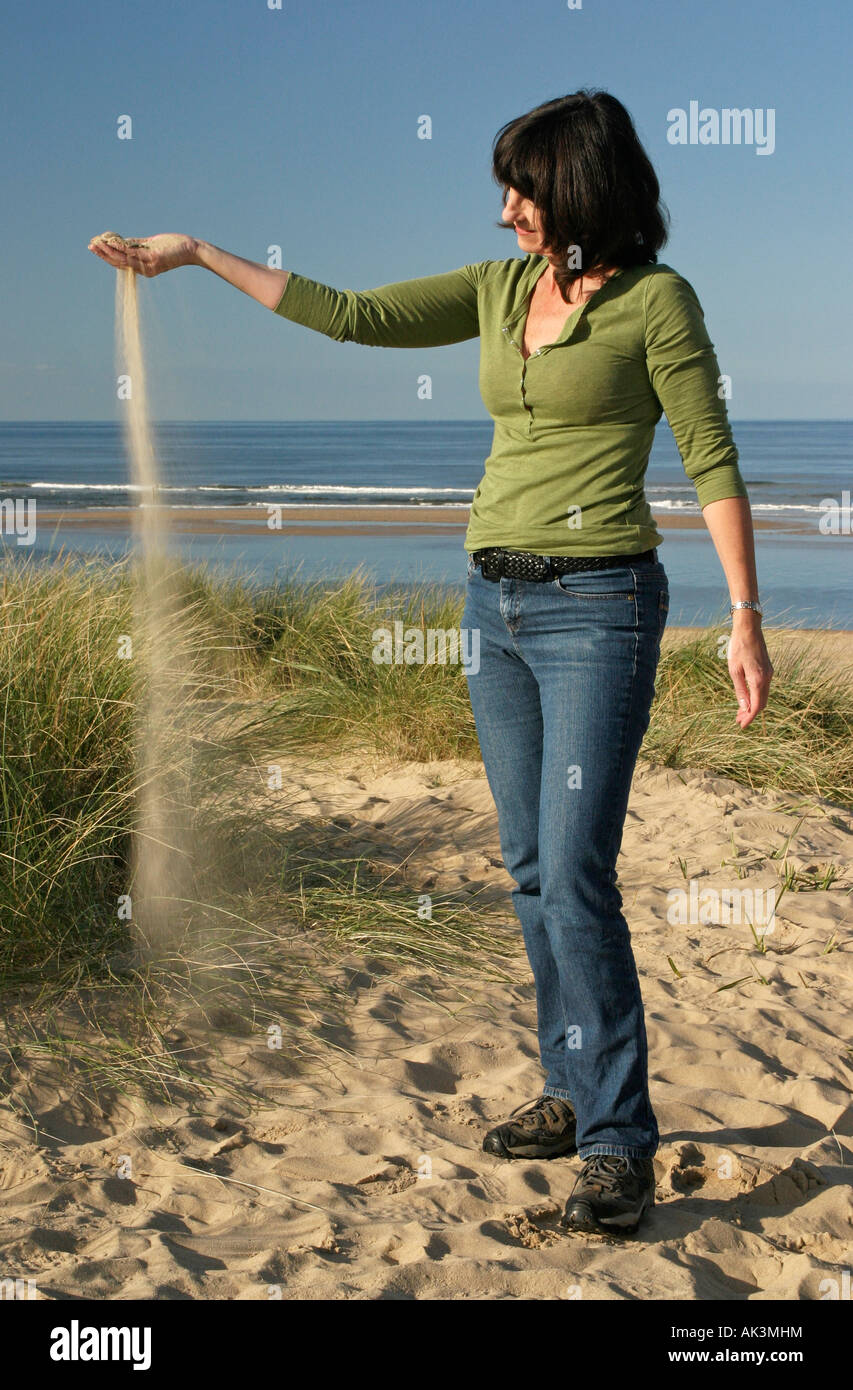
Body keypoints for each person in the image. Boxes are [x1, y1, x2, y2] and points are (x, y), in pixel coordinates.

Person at [89, 89, 773, 1237]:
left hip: (599, 605)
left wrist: (745, 614)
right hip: (491, 603)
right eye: (504, 187)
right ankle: (567, 1090)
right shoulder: (501, 287)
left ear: (581, 191)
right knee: (523, 865)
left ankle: (616, 1140)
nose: (506, 208)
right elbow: (351, 314)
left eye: (525, 187)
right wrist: (198, 255)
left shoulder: (656, 303)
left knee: (575, 870)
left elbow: (709, 456)